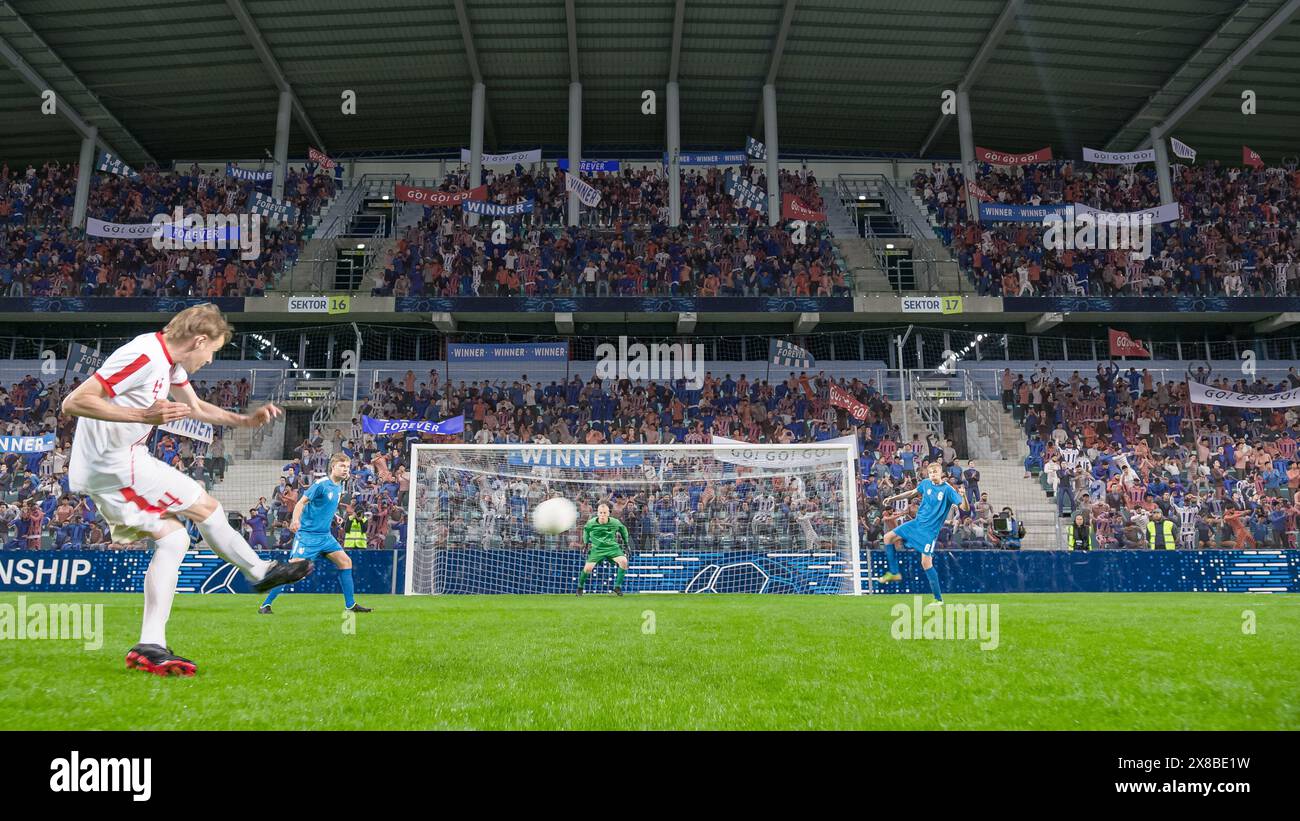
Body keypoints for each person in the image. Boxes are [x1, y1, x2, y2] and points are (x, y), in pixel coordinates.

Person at [61, 303, 312, 676]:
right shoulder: (143, 355)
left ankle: (151, 645)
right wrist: (143, 416)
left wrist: (245, 420)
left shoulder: (168, 362)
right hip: (115, 464)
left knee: (174, 539)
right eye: (212, 350)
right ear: (198, 340)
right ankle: (259, 571)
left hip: (121, 461)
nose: (210, 360)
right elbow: (74, 402)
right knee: (205, 506)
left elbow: (194, 407)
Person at [259, 453, 372, 614]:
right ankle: (265, 605)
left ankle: (351, 605)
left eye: (347, 467)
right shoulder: (321, 484)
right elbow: (300, 503)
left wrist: (335, 516)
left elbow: (325, 505)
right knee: (292, 572)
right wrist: (295, 520)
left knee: (345, 562)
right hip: (307, 536)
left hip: (325, 536)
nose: (345, 469)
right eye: (342, 466)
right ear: (333, 467)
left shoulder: (339, 486)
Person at [877, 461, 968, 604]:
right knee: (888, 537)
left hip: (929, 532)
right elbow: (912, 493)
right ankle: (894, 573)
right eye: (930, 472)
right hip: (916, 524)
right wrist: (893, 498)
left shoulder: (948, 489)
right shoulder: (926, 483)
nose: (932, 474)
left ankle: (938, 599)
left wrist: (964, 496)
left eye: (935, 472)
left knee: (926, 563)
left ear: (941, 473)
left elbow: (964, 507)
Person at [576, 502, 631, 596]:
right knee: (588, 568)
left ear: (608, 513)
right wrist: (585, 544)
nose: (602, 515)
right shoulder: (591, 523)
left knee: (624, 561)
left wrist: (626, 544)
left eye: (604, 513)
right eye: (600, 512)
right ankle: (580, 588)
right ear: (597, 513)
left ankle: (617, 587)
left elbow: (623, 530)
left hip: (612, 548)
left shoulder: (615, 522)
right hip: (597, 549)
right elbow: (586, 531)